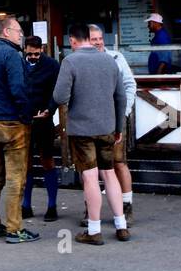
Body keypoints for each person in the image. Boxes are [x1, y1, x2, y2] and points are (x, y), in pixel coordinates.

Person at [53, 23, 129, 245]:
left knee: (89, 177)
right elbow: (121, 96)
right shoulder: (109, 59)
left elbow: (59, 97)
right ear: (89, 38)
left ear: (73, 40)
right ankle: (121, 225)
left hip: (82, 129)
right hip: (107, 127)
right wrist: (118, 128)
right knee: (109, 173)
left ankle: (94, 230)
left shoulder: (70, 61)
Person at [0, 15, 38, 244]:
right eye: (18, 31)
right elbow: (18, 89)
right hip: (12, 122)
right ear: (6, 32)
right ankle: (15, 228)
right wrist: (27, 115)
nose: (20, 35)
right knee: (16, 177)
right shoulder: (12, 55)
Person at [88, 25, 137, 223]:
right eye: (94, 39)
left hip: (114, 119)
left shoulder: (116, 57)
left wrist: (124, 112)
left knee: (119, 163)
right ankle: (91, 210)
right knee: (90, 168)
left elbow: (130, 84)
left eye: (100, 38)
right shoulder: (82, 61)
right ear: (86, 41)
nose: (99, 42)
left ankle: (127, 207)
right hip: (91, 121)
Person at [21, 36, 62, 223]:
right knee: (25, 163)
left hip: (44, 119)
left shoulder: (52, 65)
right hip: (25, 119)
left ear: (42, 50)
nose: (32, 57)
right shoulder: (20, 63)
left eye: (36, 54)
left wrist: (49, 109)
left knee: (47, 161)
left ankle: (52, 205)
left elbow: (57, 90)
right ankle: (26, 205)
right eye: (29, 54)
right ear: (24, 50)